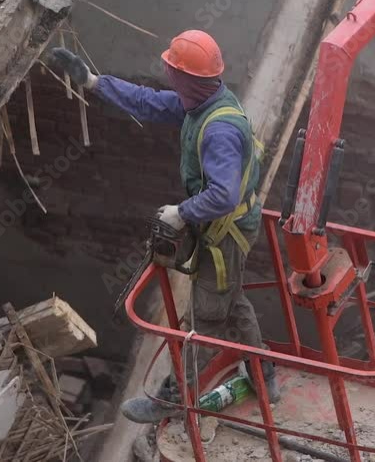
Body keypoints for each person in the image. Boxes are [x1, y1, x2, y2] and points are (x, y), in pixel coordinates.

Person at [49, 30, 279, 424]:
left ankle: (172, 400)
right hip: (226, 227)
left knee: (203, 321)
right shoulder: (200, 105)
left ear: (185, 78)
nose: (166, 75)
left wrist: (182, 212)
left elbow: (223, 195)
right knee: (233, 301)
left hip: (226, 234)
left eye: (171, 69)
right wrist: (93, 82)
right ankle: (264, 377)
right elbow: (148, 102)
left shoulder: (219, 129)